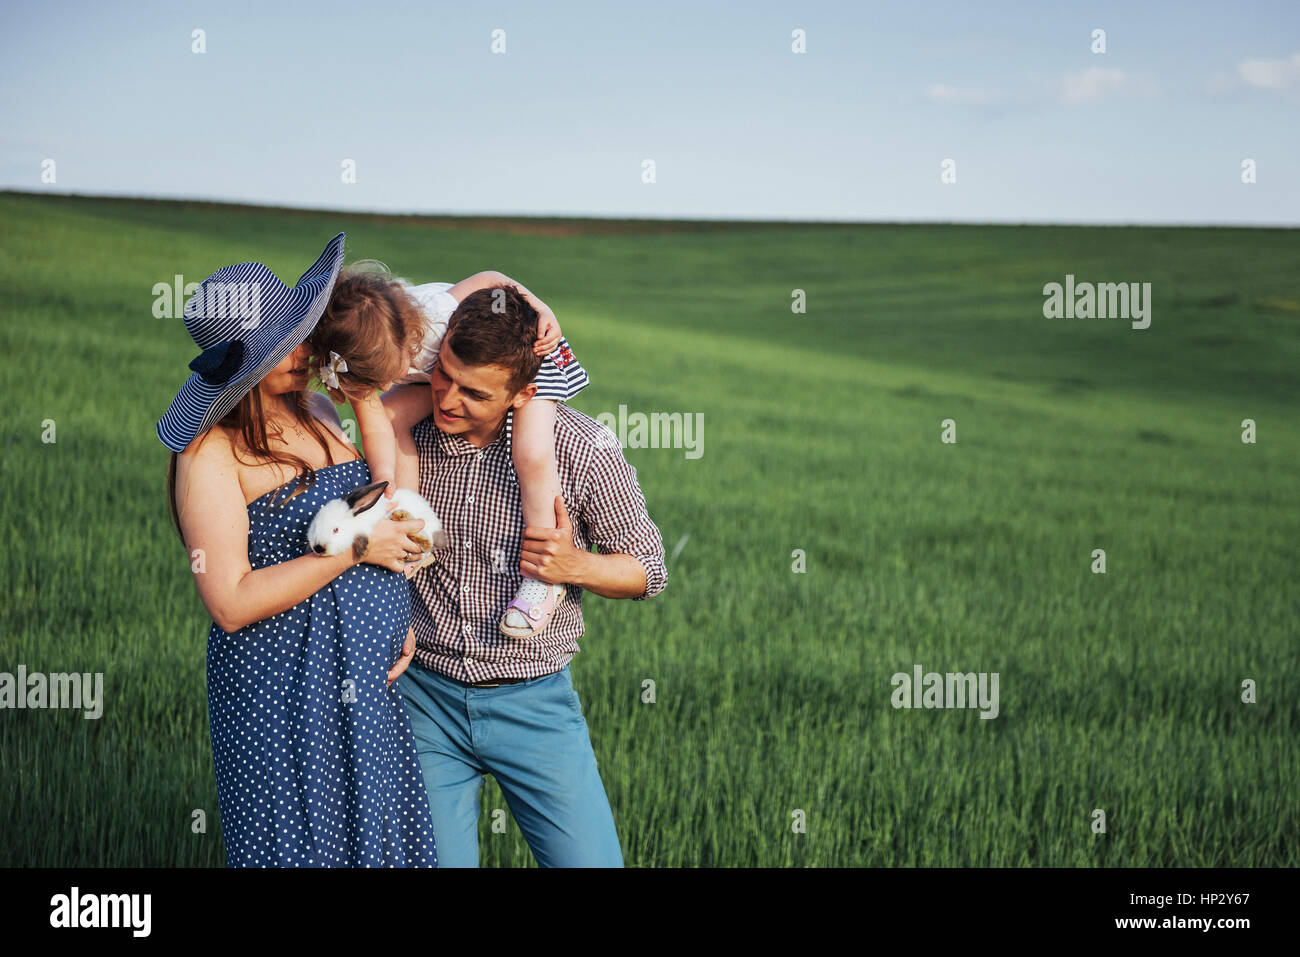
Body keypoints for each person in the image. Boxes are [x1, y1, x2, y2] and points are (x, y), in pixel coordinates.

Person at [158, 233, 436, 867]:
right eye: (282, 342)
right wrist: (355, 552)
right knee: (303, 846)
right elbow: (228, 602)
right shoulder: (209, 455)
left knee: (380, 843)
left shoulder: (315, 408)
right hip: (283, 687)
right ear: (247, 364)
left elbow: (373, 500)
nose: (305, 348)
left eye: (298, 328)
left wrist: (398, 615)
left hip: (361, 679)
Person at [389, 284, 668, 867]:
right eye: (444, 374)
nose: (447, 398)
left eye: (474, 392)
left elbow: (648, 571)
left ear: (525, 393)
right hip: (422, 700)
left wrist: (576, 566)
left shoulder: (583, 448)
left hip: (532, 702)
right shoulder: (407, 432)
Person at [305, 263, 587, 640]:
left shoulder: (436, 312)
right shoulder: (361, 355)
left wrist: (541, 308)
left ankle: (541, 578)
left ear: (409, 337)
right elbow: (375, 425)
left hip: (528, 352)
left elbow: (491, 278)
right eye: (379, 381)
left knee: (531, 451)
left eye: (393, 372)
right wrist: (384, 490)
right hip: (459, 371)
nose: (389, 383)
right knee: (390, 416)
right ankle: (411, 524)